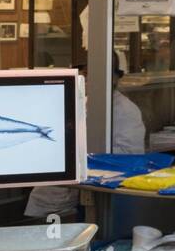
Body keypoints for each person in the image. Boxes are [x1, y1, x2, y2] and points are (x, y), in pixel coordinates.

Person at [24, 58, 146, 220]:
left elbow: (130, 156)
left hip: (94, 194)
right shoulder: (80, 101)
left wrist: (81, 156)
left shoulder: (126, 110)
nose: (88, 80)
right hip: (53, 192)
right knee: (39, 231)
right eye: (85, 74)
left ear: (115, 77)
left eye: (93, 74)